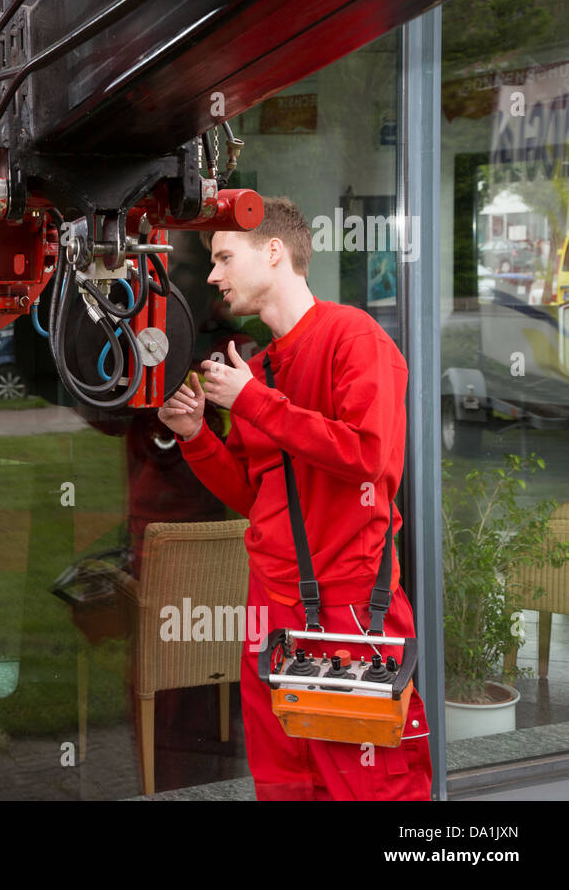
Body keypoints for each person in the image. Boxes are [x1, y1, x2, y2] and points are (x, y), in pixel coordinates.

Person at [156, 196, 433, 800]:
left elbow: (368, 454)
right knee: (282, 784)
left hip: (351, 612)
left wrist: (252, 402)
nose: (212, 275)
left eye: (225, 257)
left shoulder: (352, 336)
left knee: (373, 790)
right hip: (273, 614)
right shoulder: (257, 367)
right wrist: (197, 435)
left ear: (274, 252)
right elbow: (259, 497)